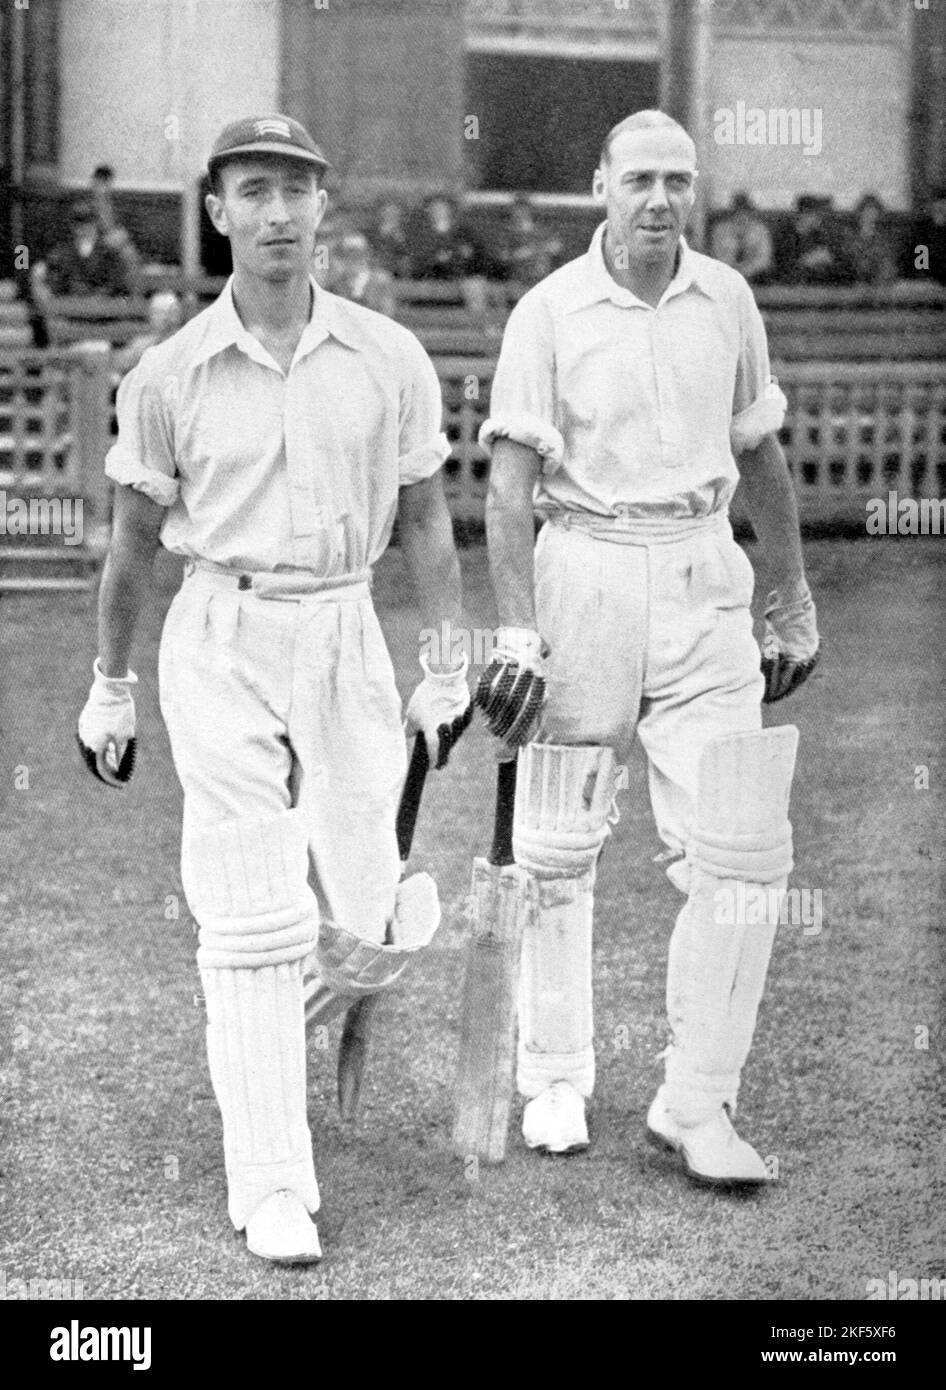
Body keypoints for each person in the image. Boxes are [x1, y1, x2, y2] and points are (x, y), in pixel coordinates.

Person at [77, 114, 471, 1265]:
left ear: (323, 204)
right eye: (254, 191)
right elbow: (132, 547)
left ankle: (292, 998)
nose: (279, 214)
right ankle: (271, 1176)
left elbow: (428, 518)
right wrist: (112, 686)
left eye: (298, 190)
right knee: (249, 905)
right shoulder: (168, 374)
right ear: (217, 209)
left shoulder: (387, 356)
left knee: (360, 909)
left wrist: (445, 661)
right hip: (223, 628)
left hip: (345, 624)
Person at [476, 110, 820, 1188]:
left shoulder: (728, 299)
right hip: (580, 572)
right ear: (600, 186)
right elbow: (506, 489)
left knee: (744, 853)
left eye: (677, 179)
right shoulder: (548, 310)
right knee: (554, 849)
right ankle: (553, 1076)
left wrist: (791, 594)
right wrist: (516, 632)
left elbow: (758, 457)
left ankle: (696, 1099)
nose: (659, 199)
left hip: (701, 578)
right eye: (639, 179)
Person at [33, 200, 135, 304]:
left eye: (88, 223)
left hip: (104, 309)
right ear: (72, 226)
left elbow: (117, 286)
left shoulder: (109, 252)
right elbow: (56, 282)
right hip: (70, 308)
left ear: (95, 224)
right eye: (79, 223)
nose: (83, 228)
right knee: (38, 271)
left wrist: (100, 296)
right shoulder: (62, 252)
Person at [90, 164, 144, 295]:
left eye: (106, 182)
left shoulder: (118, 204)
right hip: (96, 243)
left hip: (119, 243)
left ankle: (136, 299)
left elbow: (130, 227)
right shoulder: (87, 204)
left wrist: (123, 234)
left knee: (130, 254)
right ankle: (133, 298)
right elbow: (85, 229)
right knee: (128, 255)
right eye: (99, 182)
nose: (103, 187)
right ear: (93, 183)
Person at [782, 194, 854, 286]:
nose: (819, 219)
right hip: (794, 286)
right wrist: (807, 261)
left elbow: (838, 261)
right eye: (815, 214)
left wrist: (826, 259)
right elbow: (785, 267)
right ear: (802, 214)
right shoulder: (787, 235)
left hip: (821, 284)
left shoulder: (819, 234)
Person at [111, 289, 183, 377]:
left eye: (171, 312)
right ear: (150, 315)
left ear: (179, 314)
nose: (165, 318)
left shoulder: (186, 343)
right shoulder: (141, 345)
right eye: (159, 312)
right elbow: (119, 368)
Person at [325, 231, 397, 317]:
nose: (354, 259)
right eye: (348, 255)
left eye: (359, 254)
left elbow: (387, 315)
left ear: (367, 255)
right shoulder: (336, 285)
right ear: (342, 258)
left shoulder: (381, 281)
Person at [497, 196, 563, 289]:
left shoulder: (543, 230)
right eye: (516, 210)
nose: (519, 213)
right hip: (518, 277)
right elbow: (502, 257)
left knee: (543, 260)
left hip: (543, 275)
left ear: (529, 211)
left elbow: (556, 247)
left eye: (523, 210)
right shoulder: (507, 232)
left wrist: (534, 250)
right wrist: (517, 255)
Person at [710, 192, 773, 284]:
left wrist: (746, 271)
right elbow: (716, 256)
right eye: (738, 211)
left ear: (750, 213)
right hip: (726, 275)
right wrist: (732, 270)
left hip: (754, 276)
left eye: (745, 212)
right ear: (732, 212)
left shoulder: (761, 230)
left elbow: (764, 259)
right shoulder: (720, 230)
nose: (741, 215)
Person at [845, 194, 898, 286]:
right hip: (858, 281)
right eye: (867, 210)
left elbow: (889, 262)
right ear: (860, 212)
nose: (870, 214)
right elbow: (851, 262)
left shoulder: (883, 238)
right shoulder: (850, 236)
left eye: (874, 211)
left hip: (881, 281)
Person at [370, 198, 412, 279]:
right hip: (372, 267)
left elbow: (405, 256)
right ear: (381, 213)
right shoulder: (372, 231)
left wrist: (400, 240)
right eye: (387, 211)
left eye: (394, 211)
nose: (390, 215)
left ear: (400, 214)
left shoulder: (404, 234)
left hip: (391, 272)